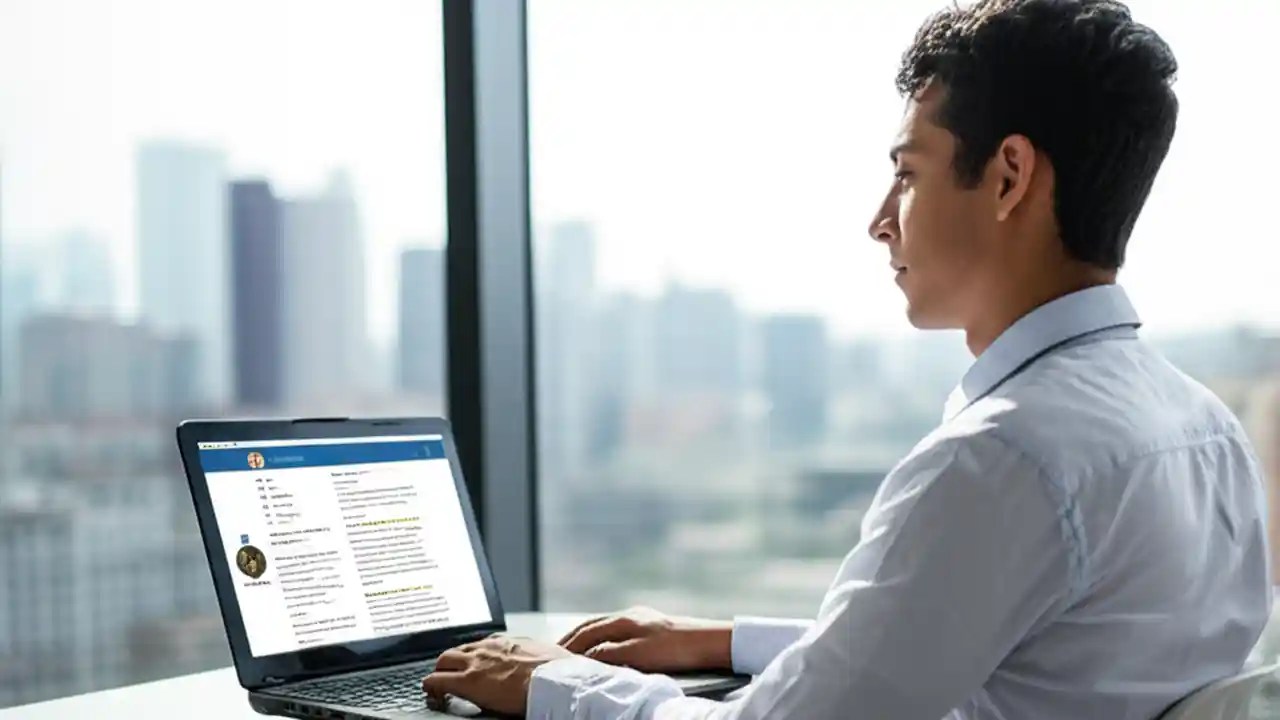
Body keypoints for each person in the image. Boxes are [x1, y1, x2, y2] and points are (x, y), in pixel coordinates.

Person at [422, 1, 1273, 717]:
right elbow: (1005, 651)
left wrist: (556, 685)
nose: (880, 219)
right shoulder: (1201, 426)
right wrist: (724, 638)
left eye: (907, 174)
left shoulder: (1002, 457)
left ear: (1010, 176)